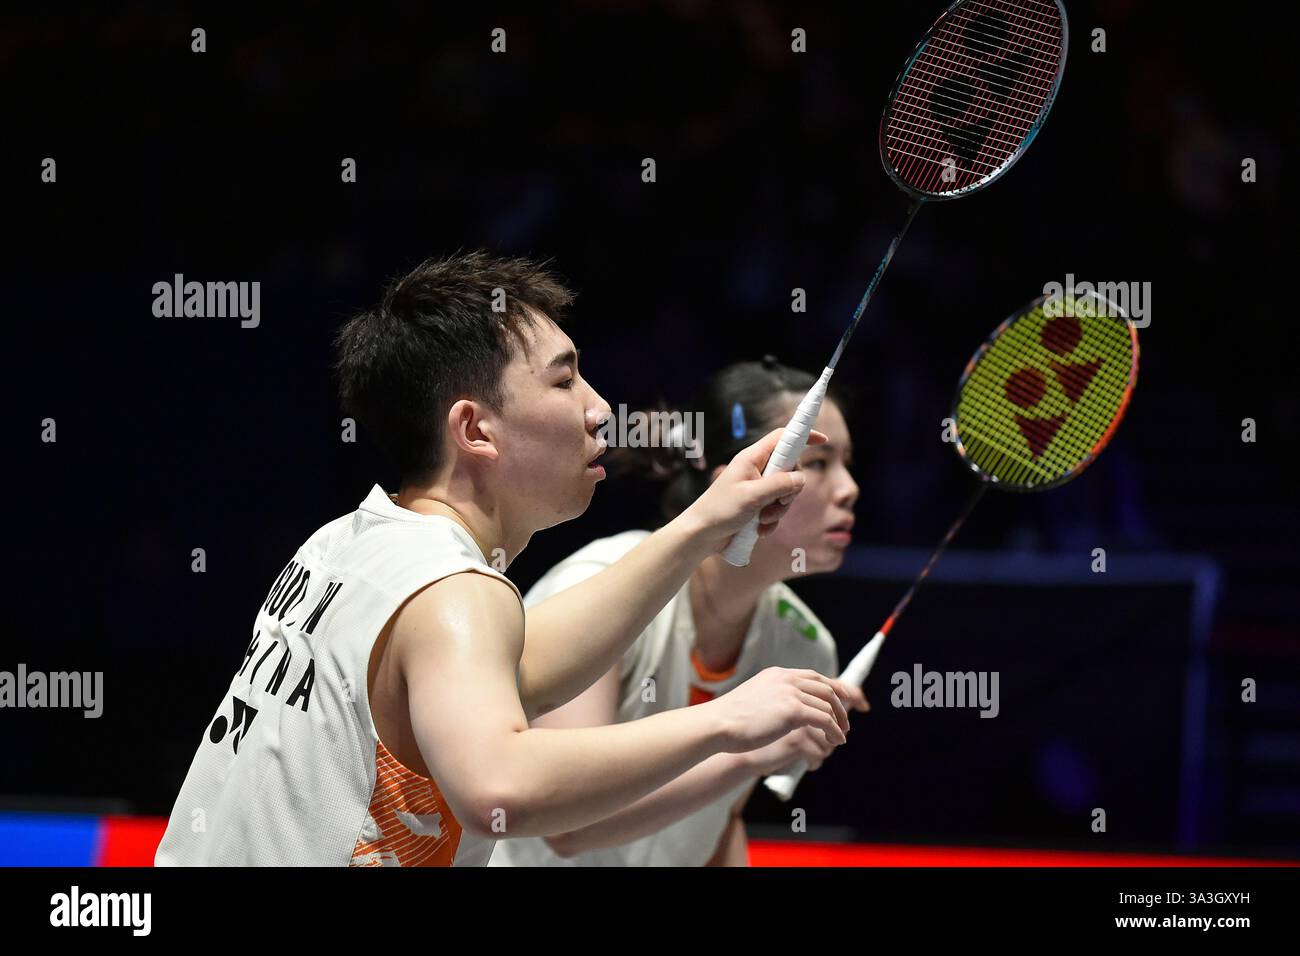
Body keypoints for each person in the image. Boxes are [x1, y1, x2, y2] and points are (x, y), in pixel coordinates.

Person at [154, 251, 854, 866]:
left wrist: (704, 522)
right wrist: (727, 722)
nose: (601, 408)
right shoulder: (456, 590)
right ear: (475, 429)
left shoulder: (351, 542)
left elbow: (521, 669)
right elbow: (501, 787)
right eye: (563, 381)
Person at [491, 358, 867, 867]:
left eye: (847, 462)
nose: (849, 489)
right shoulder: (601, 587)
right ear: (741, 478)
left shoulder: (804, 646)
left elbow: (715, 821)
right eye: (818, 463)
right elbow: (566, 825)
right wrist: (746, 754)